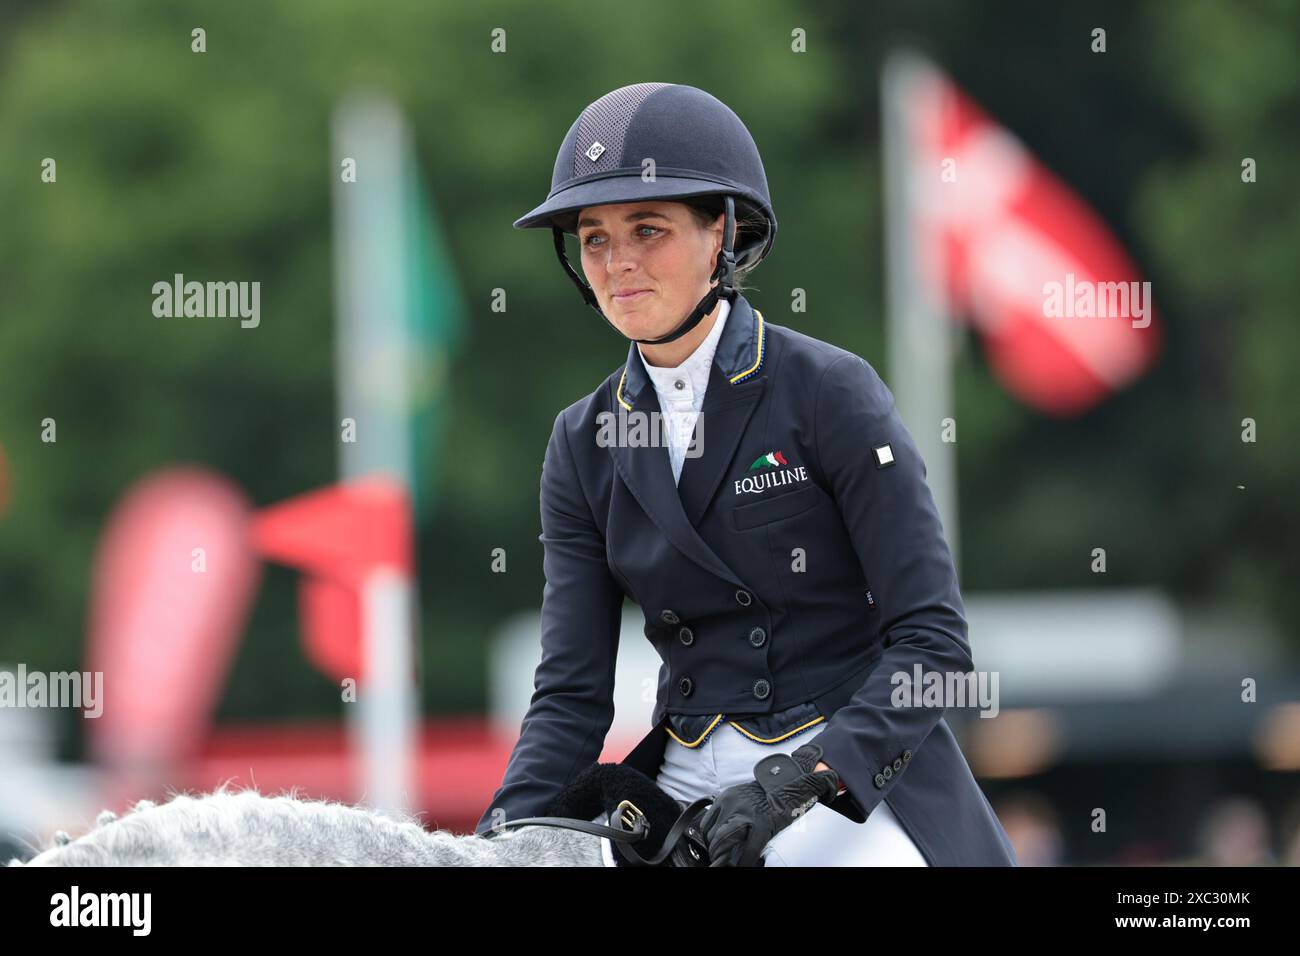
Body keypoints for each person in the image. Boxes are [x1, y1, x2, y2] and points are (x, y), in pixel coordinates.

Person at [476, 82, 1016, 867]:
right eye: (594, 239)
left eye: (648, 230)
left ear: (720, 233)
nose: (618, 262)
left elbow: (933, 650)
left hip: (848, 787)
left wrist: (797, 784)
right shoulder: (582, 442)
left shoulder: (829, 392)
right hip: (684, 791)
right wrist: (503, 835)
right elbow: (571, 695)